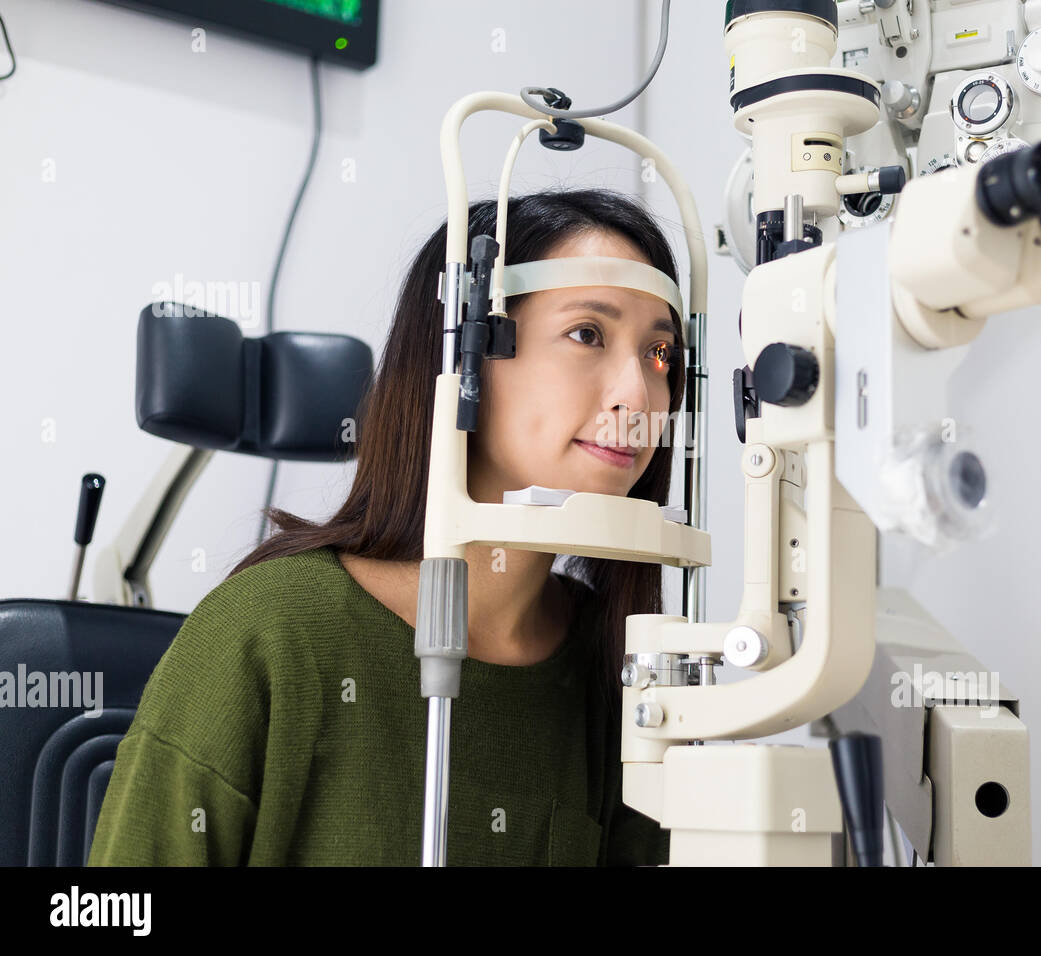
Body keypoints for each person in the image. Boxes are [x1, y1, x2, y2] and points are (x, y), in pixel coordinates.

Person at [88, 188, 687, 866]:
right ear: (464, 361)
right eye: (587, 334)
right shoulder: (270, 633)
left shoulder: (614, 666)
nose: (638, 397)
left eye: (660, 354)